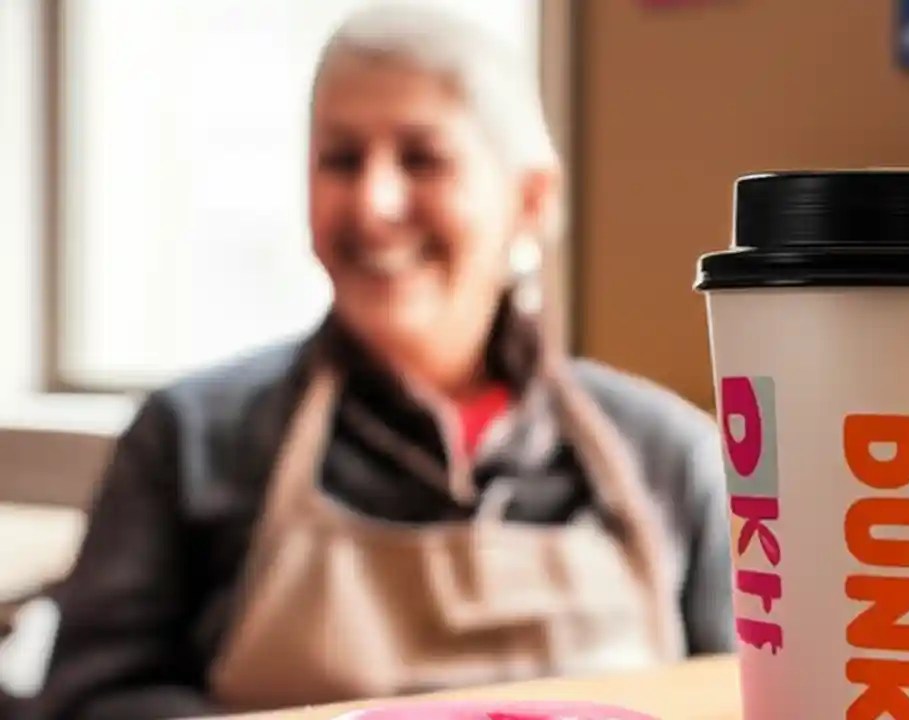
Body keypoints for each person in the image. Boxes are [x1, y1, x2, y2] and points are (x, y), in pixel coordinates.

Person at [28, 4, 734, 718]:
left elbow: (743, 695)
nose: (374, 202)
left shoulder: (670, 455)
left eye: (422, 159)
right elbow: (87, 701)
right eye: (341, 160)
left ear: (530, 198)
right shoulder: (190, 438)